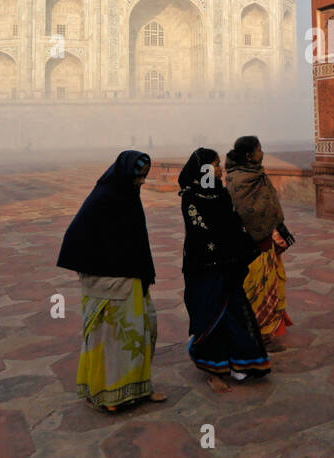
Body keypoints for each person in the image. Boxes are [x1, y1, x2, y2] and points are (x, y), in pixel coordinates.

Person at [56, 149, 166, 411]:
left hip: (130, 279)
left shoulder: (128, 196)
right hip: (107, 284)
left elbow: (135, 240)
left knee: (137, 336)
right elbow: (77, 237)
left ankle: (137, 389)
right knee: (110, 341)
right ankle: (108, 394)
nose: (141, 181)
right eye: (138, 175)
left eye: (144, 176)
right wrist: (108, 264)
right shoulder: (104, 197)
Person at [178, 147, 271, 392]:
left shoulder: (220, 193)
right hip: (205, 267)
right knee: (211, 316)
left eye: (219, 164)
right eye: (215, 164)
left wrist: (241, 248)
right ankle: (213, 371)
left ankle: (240, 362)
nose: (219, 169)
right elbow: (201, 232)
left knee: (235, 313)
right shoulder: (191, 196)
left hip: (228, 265)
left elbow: (232, 224)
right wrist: (226, 253)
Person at [225, 135, 295, 351]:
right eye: (259, 150)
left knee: (269, 286)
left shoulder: (255, 175)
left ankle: (265, 331)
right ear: (249, 155)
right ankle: (258, 333)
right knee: (256, 289)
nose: (262, 153)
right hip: (252, 246)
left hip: (266, 242)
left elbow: (268, 205)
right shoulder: (238, 180)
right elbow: (245, 212)